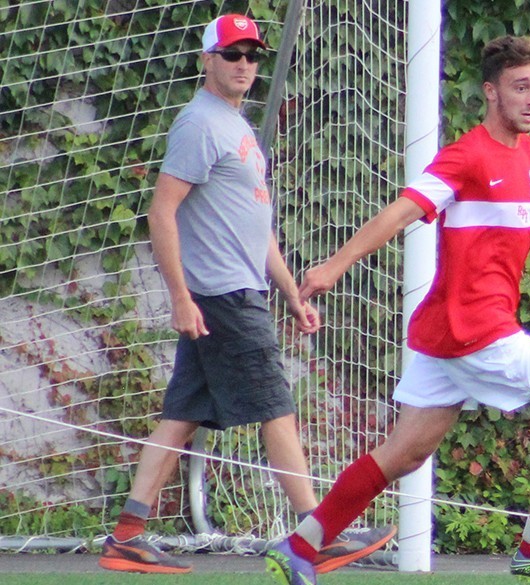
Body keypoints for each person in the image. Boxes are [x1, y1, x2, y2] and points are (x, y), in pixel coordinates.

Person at [263, 35, 530, 585]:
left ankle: (300, 549)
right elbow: (401, 213)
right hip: (479, 332)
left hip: (444, 335)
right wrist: (334, 266)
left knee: (404, 454)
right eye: (521, 87)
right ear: (491, 92)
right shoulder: (467, 156)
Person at [98, 14, 395, 575]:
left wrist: (290, 294)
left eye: (252, 55)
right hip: (224, 298)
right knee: (276, 408)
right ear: (206, 59)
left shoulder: (237, 128)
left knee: (182, 415)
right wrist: (181, 297)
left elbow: (255, 231)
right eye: (232, 53)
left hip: (240, 292)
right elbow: (161, 214)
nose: (244, 64)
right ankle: (317, 532)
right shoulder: (199, 124)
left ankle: (127, 535)